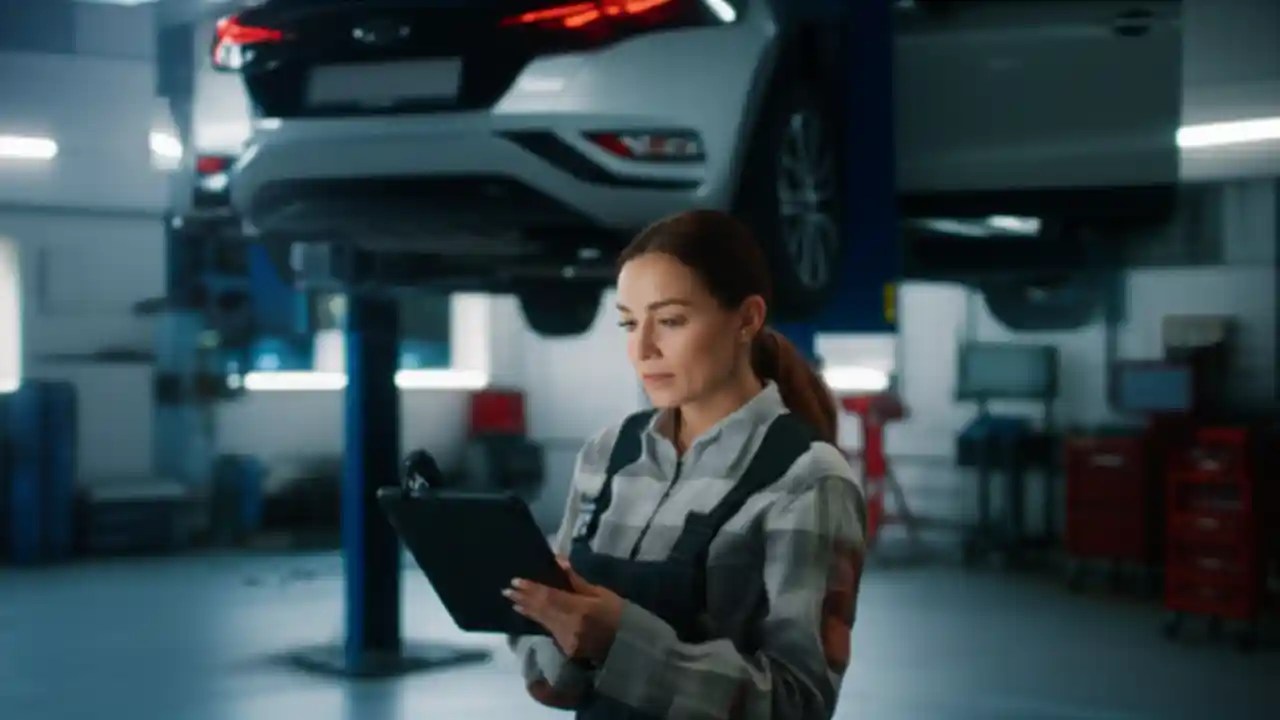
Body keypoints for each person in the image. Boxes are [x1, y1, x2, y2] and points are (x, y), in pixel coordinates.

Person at [505, 209, 867, 719]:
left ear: (746, 319)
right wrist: (555, 630)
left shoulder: (807, 480)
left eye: (671, 320)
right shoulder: (608, 453)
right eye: (630, 323)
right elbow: (550, 681)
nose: (643, 348)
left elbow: (800, 703)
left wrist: (621, 645)